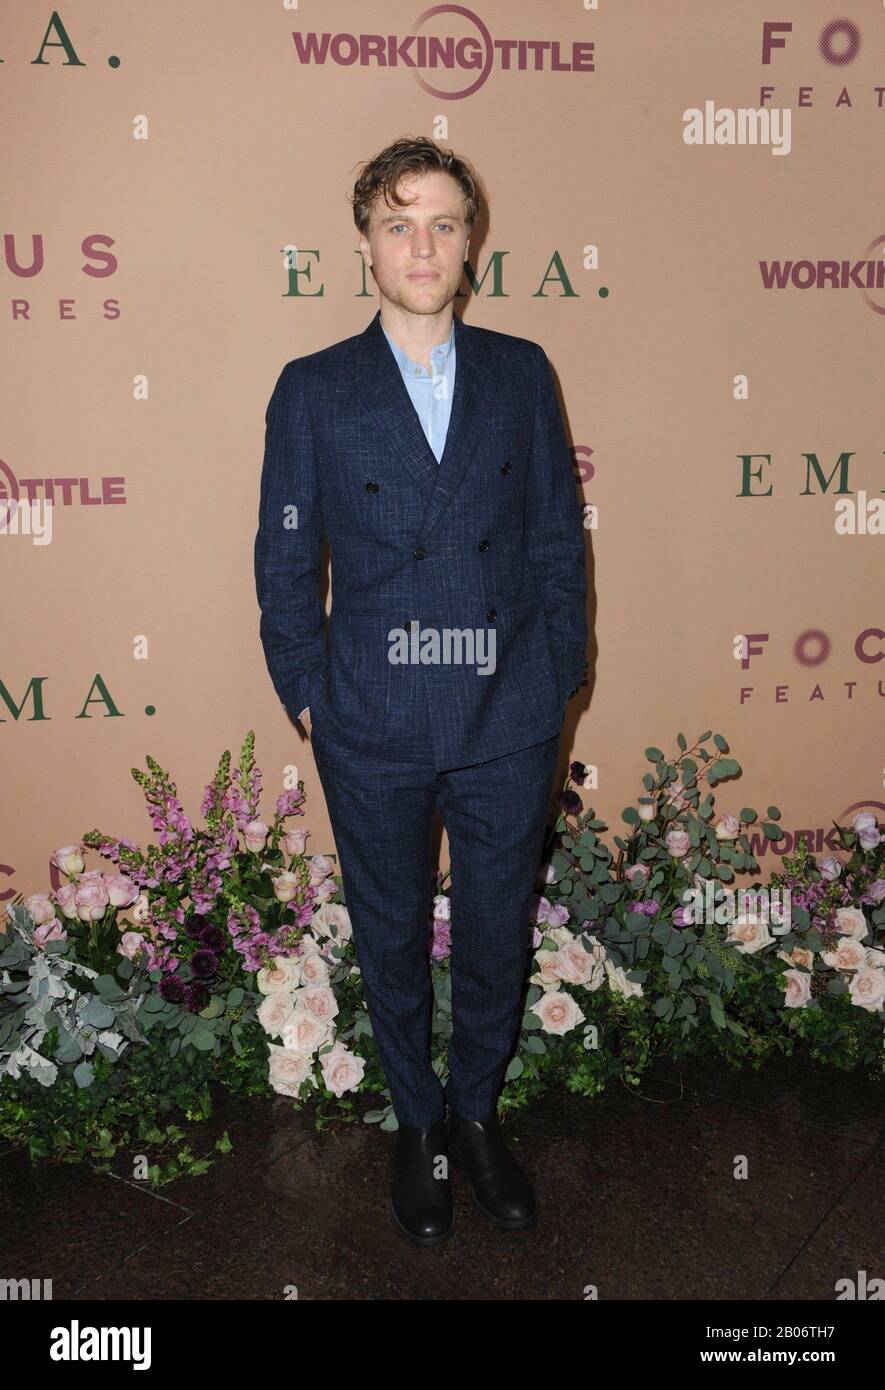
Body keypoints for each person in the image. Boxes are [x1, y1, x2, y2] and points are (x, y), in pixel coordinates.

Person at [254, 135, 587, 1245]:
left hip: (507, 712)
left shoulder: (521, 372)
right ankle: (417, 1125)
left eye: (443, 223)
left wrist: (559, 672)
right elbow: (285, 558)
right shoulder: (313, 388)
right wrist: (309, 691)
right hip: (373, 715)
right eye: (398, 224)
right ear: (365, 244)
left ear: (470, 241)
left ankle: (477, 1116)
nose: (422, 245)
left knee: (495, 931)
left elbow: (556, 539)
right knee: (390, 931)